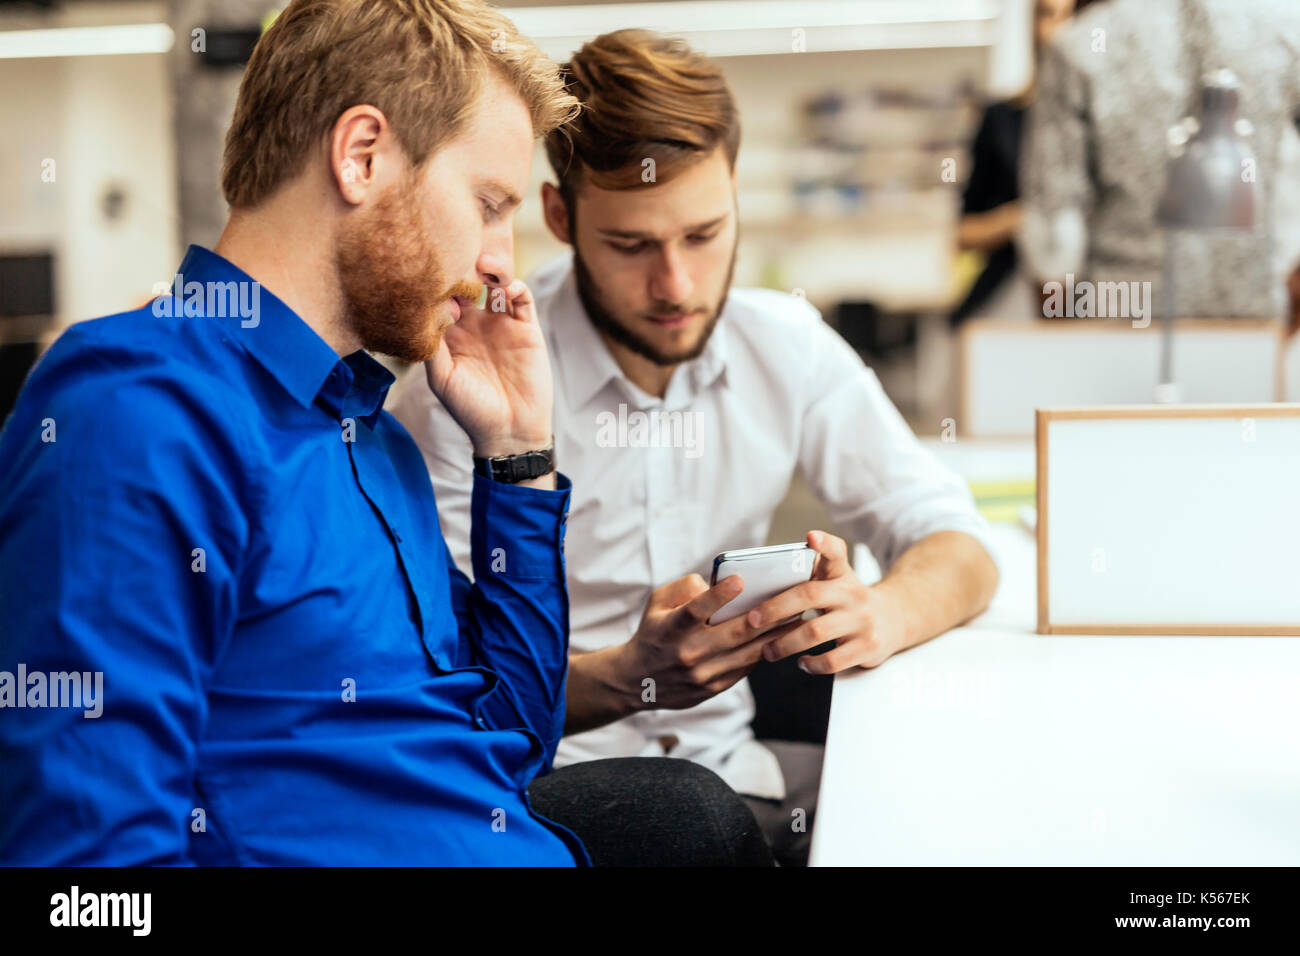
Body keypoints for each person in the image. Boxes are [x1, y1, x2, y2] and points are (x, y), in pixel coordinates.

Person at [0, 0, 770, 867]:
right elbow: (87, 869)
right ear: (361, 156)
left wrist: (515, 456)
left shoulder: (371, 433)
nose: (499, 261)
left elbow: (506, 745)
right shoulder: (138, 410)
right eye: (486, 204)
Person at [391, 29, 1001, 867]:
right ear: (561, 218)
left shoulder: (784, 345)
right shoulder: (464, 391)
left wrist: (880, 613)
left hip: (733, 773)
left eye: (705, 234)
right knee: (689, 819)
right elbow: (442, 699)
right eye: (633, 245)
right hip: (544, 796)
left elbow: (959, 544)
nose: (676, 286)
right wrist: (628, 674)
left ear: (737, 198)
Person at [1019, 0, 1300, 319]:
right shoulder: (1285, 34)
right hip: (1248, 315)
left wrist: (1056, 339)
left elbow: (1053, 232)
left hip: (1120, 314)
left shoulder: (1081, 46)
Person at [950, 0, 1082, 324]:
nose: (1059, 32)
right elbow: (962, 234)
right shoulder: (1001, 119)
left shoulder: (1100, 120)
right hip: (1008, 302)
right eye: (1048, 16)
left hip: (1082, 304)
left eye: (1072, 18)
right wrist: (1023, 219)